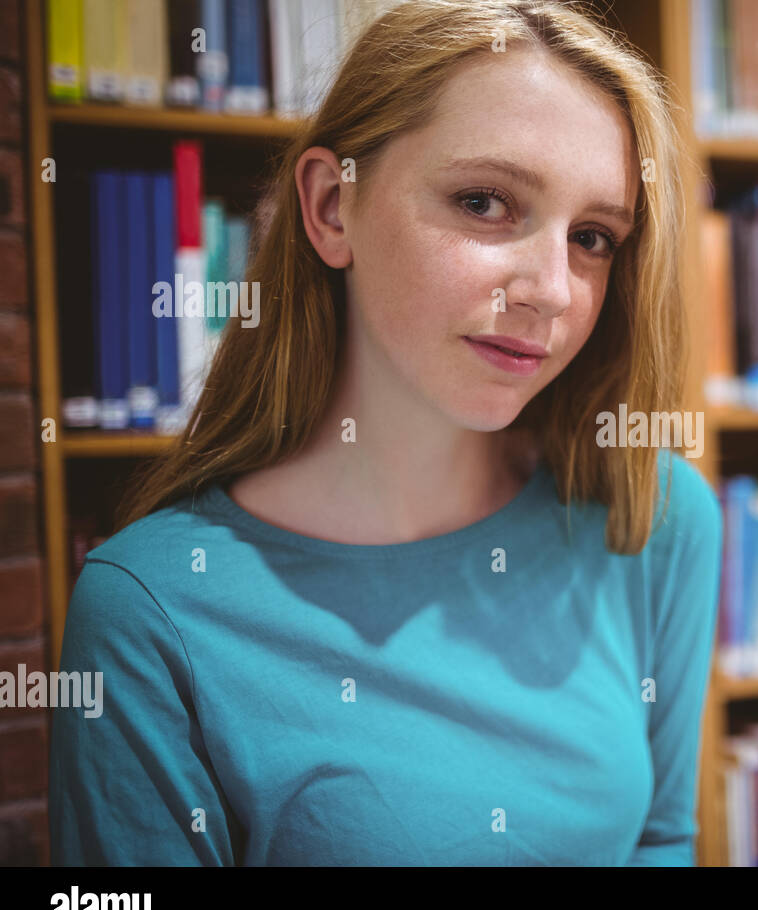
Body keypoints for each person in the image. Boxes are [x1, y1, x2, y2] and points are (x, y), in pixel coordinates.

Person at [50, 0, 722, 866]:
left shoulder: (653, 516)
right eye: (485, 202)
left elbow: (661, 838)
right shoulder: (150, 611)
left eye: (593, 237)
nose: (553, 289)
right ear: (333, 208)